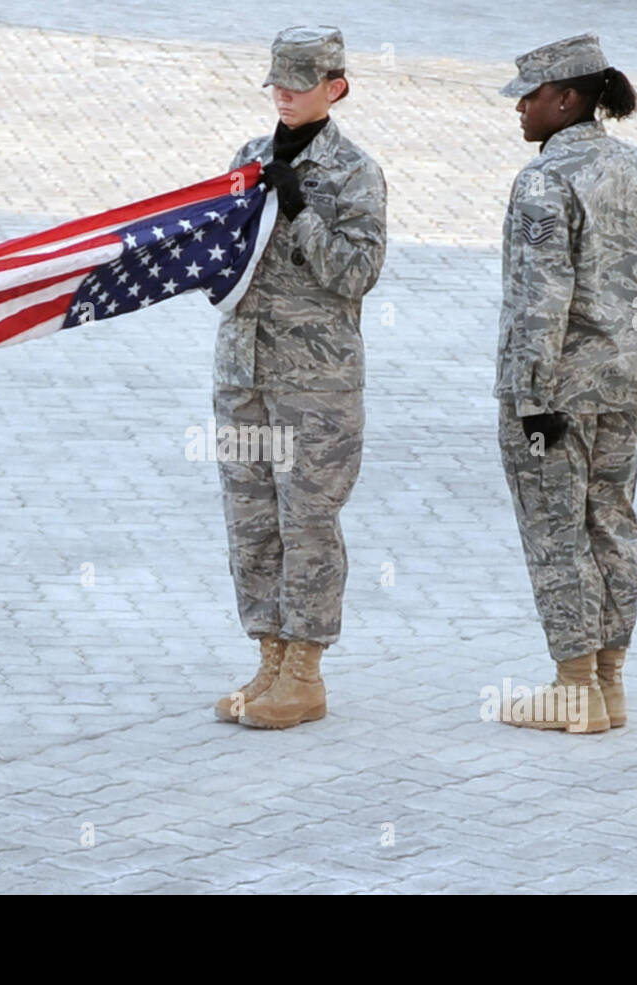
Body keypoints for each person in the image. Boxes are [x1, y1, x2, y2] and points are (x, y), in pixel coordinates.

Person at [494, 35, 637, 733]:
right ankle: (609, 684)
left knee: (557, 534)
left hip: (560, 395)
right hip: (623, 387)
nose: (520, 107)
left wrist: (532, 396)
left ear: (566, 100)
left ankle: (574, 688)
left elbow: (539, 298)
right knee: (613, 526)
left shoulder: (543, 181)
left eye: (531, 95)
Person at [211, 27, 387, 729]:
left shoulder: (354, 172)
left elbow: (357, 272)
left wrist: (301, 211)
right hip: (243, 372)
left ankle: (306, 670)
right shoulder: (249, 157)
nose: (282, 94)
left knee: (307, 521)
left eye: (298, 83)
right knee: (251, 520)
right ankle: (269, 655)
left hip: (315, 381)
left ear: (334, 87)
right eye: (276, 83)